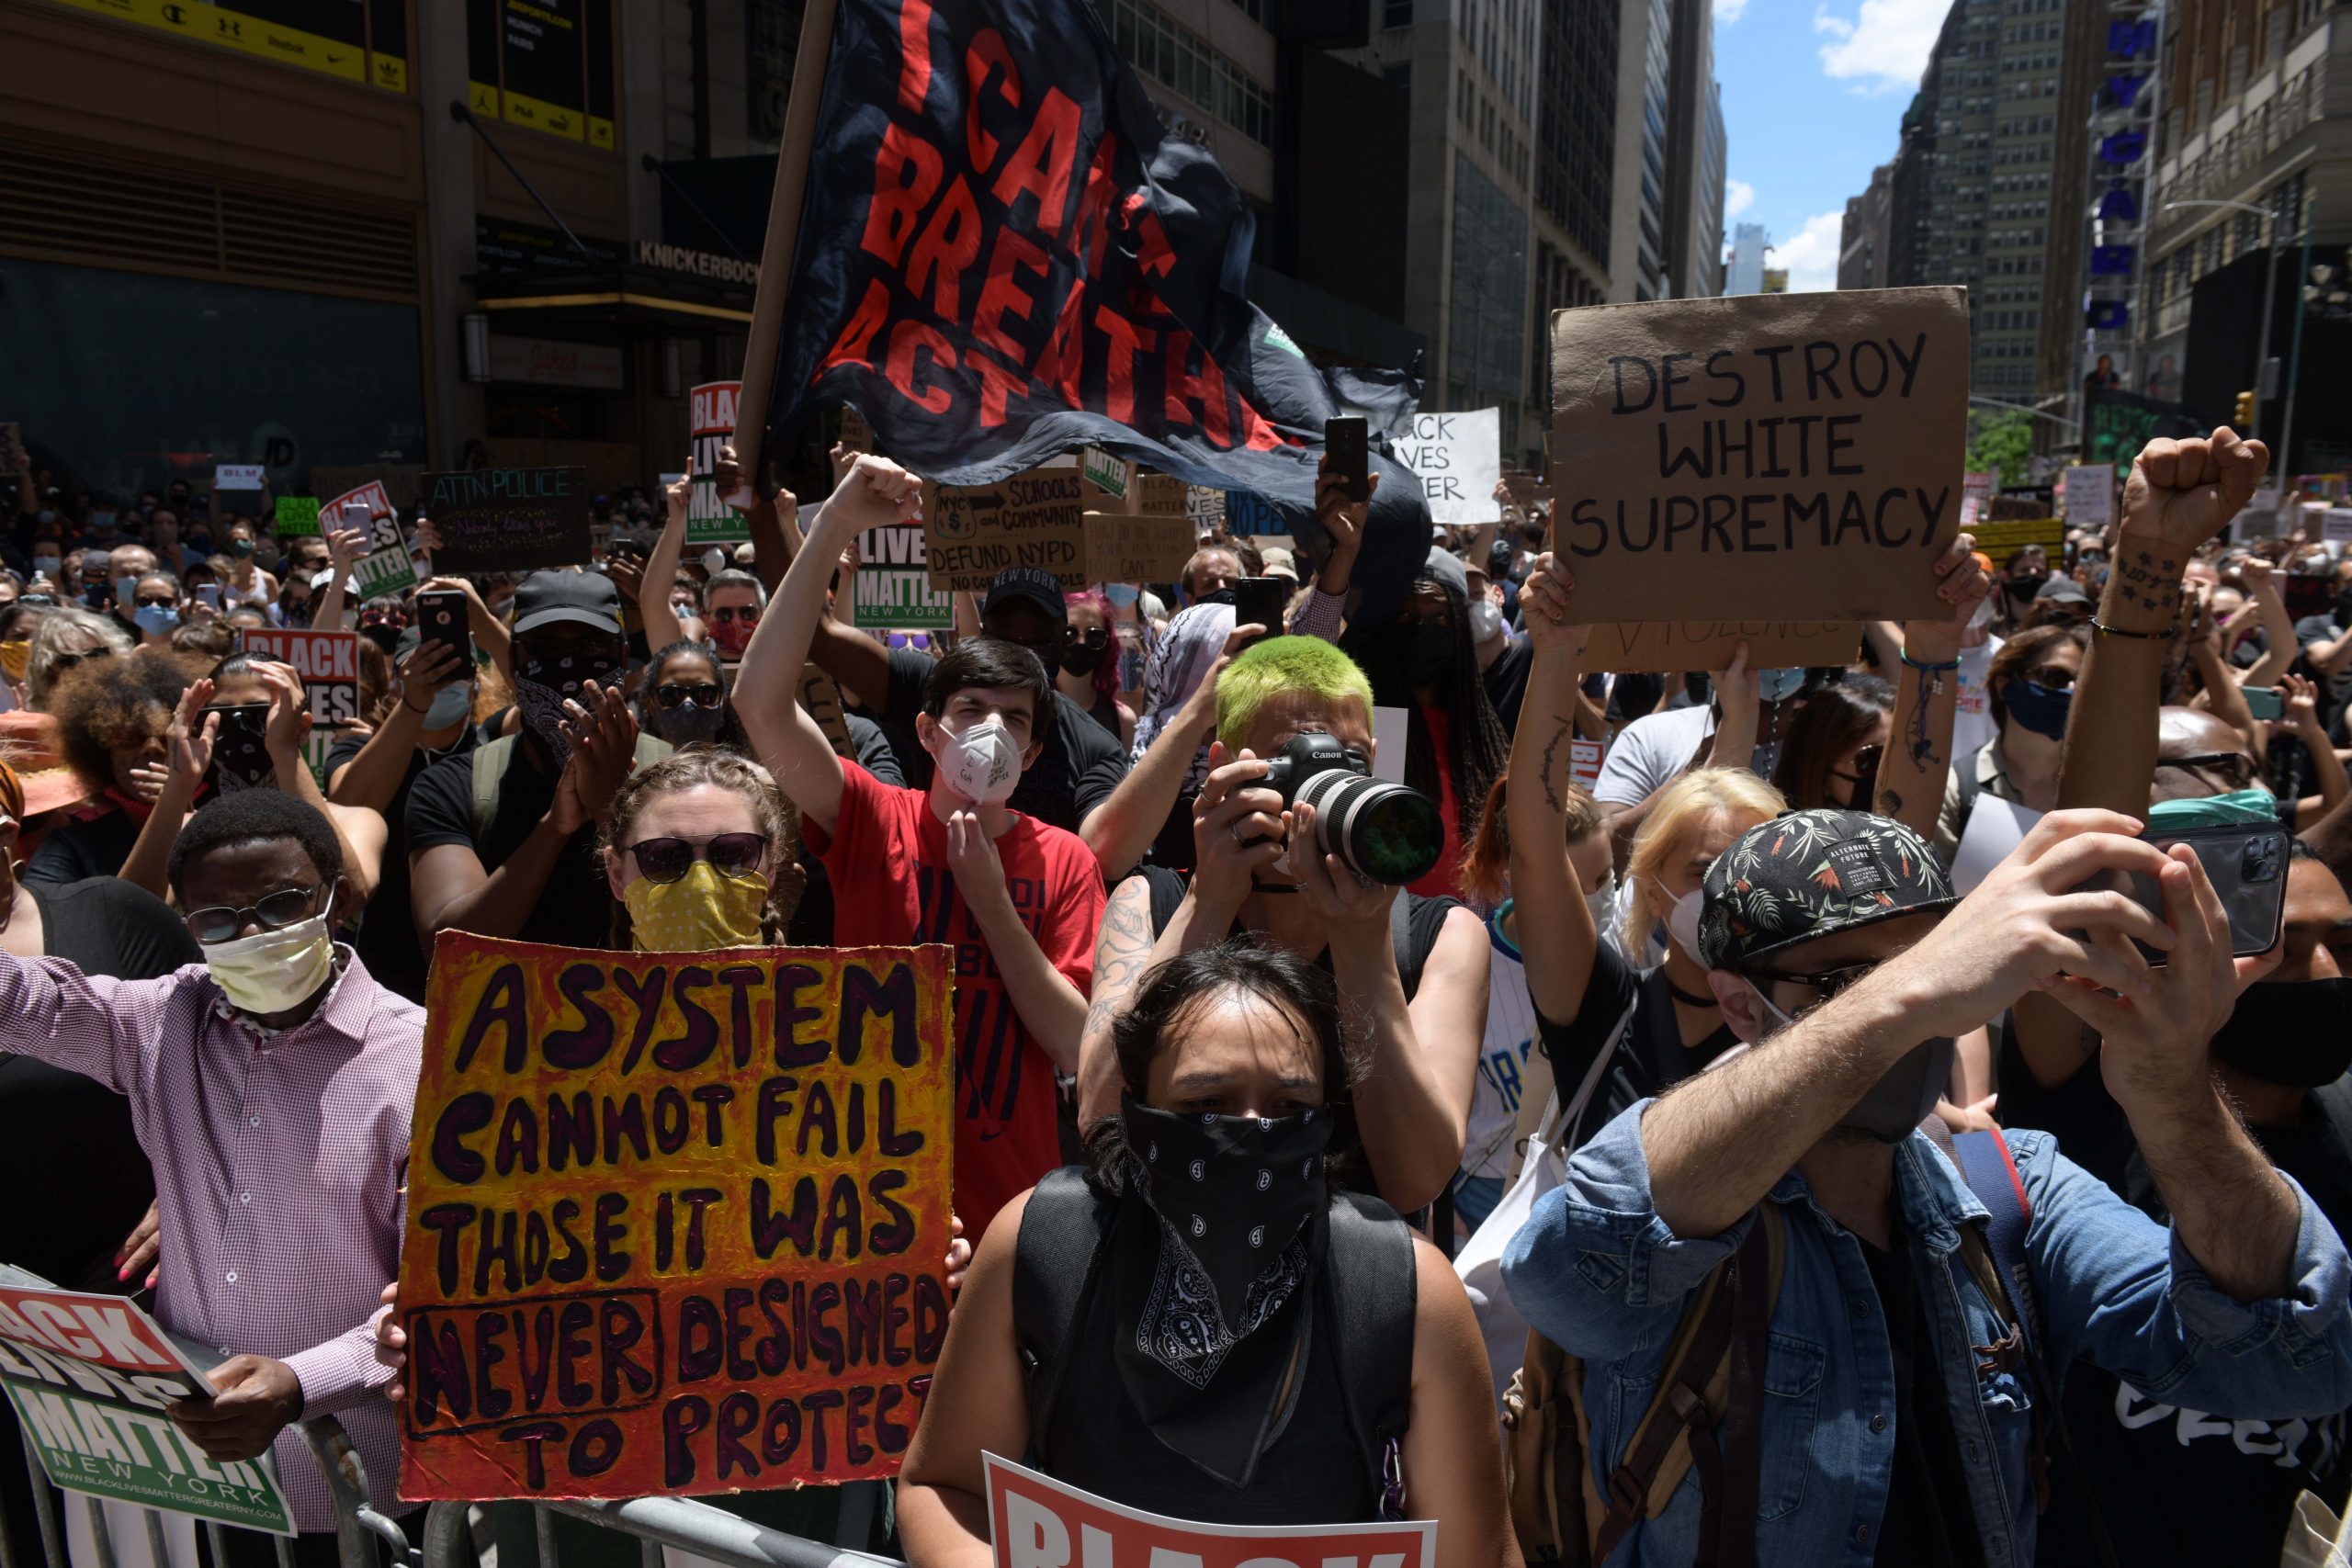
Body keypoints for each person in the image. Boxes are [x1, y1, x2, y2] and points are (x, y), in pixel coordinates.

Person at [1503, 803, 2352, 1566]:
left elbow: (2296, 1357)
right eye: (1849, 980)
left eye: (1943, 971)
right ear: (1740, 1003)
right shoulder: (1682, 1180)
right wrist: (1910, 989)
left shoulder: (2010, 1186)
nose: (1927, 1016)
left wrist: (2171, 1085)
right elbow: (1566, 1273)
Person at [896, 942, 1519, 1565]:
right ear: (1139, 1108)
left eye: (1287, 1108)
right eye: (1204, 1105)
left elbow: (1477, 1555)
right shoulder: (1045, 1246)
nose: (1248, 1132)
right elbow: (941, 1485)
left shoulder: (1405, 1293)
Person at [0, 792, 419, 1553]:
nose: (253, 933)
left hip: (353, 1498)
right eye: (218, 921)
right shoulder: (161, 1018)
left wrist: (301, 1383)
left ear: (337, 891)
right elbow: (26, 1002)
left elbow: (434, 1299)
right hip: (197, 1498)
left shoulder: (424, 1062)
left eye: (282, 903)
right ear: (188, 926)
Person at [738, 455, 1106, 1235]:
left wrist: (991, 904)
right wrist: (832, 523)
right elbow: (760, 703)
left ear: (1035, 754)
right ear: (928, 732)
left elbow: (1075, 1041)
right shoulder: (873, 817)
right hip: (865, 1206)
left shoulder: (1067, 861)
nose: (993, 732)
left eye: (1015, 720)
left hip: (1012, 1218)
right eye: (973, 709)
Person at [1078, 635, 1487, 1215]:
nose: (1324, 793)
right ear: (1223, 768)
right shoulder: (1151, 903)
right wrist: (1208, 905)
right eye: (1295, 762)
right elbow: (1099, 1118)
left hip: (1349, 1284)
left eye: (1350, 763)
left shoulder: (1441, 935)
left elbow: (1415, 1179)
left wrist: (1362, 943)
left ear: (1374, 760)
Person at [1510, 594, 1785, 1149]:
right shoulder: (1601, 1006)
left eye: (1754, 866)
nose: (1732, 891)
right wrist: (1557, 657)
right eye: (1705, 871)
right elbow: (1537, 848)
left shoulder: (1804, 1017)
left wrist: (1740, 718)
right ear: (1652, 892)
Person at [406, 570, 670, 953]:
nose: (568, 666)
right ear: (514, 660)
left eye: (591, 646)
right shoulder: (452, 786)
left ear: (623, 657)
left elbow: (688, 924)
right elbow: (448, 946)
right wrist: (552, 830)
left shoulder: (678, 777)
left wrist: (609, 811)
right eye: (545, 649)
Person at [1451, 772, 1614, 1228]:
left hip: (1582, 1185)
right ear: (1516, 878)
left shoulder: (1622, 949)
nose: (1599, 899)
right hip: (1487, 1191)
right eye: (1580, 887)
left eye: (1606, 878)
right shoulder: (1469, 965)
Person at [117, 654, 387, 905]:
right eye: (221, 716)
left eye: (256, 714)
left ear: (302, 727)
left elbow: (350, 896)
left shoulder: (356, 821)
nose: (238, 726)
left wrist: (285, 749)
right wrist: (179, 780)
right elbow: (132, 911)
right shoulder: (189, 828)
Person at [1337, 547, 1511, 898]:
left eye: (1439, 616)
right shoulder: (1368, 725)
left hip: (1475, 928)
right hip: (1394, 931)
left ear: (1459, 628)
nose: (1421, 629)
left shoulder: (1476, 729)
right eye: (1405, 615)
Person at [324, 628, 478, 1003]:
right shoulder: (361, 746)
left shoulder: (494, 745)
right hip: (387, 965)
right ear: (395, 685)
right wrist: (413, 707)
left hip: (477, 959)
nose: (439, 681)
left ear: (476, 684)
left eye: (453, 670)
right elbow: (350, 803)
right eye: (422, 669)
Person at [28, 643, 188, 885]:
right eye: (129, 737)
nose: (152, 747)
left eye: (169, 736)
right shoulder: (72, 846)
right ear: (101, 752)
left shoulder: (229, 824)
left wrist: (184, 809)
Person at [1932, 622, 2089, 857]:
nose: (2071, 689)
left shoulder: (2097, 787)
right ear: (2005, 685)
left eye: (2081, 682)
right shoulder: (1955, 789)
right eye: (2054, 677)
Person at [1773, 675, 1892, 810]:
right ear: (1820, 775)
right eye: (1872, 758)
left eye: (1898, 754)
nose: (1893, 769)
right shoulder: (1784, 831)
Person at [634, 638, 750, 751]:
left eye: (704, 693)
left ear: (722, 704)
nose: (687, 704)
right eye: (670, 694)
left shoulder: (744, 770)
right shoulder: (632, 769)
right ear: (651, 706)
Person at [1059, 587, 1135, 747]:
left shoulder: (1123, 720)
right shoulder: (1031, 713)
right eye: (1069, 633)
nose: (1081, 642)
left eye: (1094, 636)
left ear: (1108, 644)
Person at [23, 603, 130, 713]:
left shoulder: (137, 704)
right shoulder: (39, 718)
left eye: (96, 655)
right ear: (50, 669)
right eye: (70, 661)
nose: (86, 667)